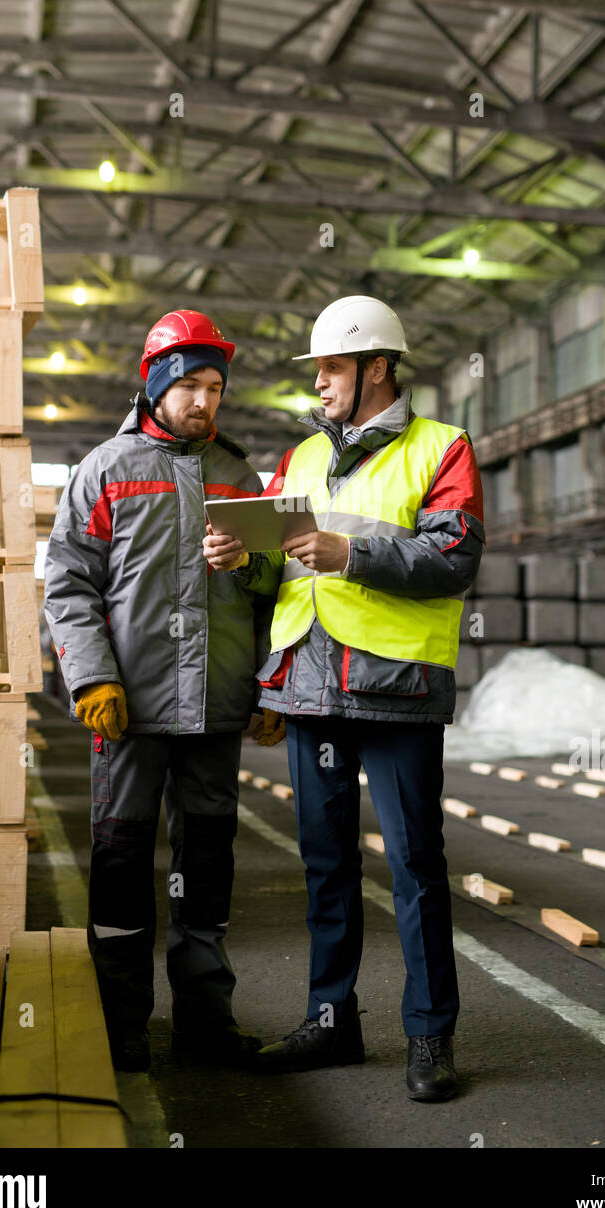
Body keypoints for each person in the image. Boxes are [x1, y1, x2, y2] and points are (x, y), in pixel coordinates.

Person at [203, 295, 485, 1102]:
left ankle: (430, 1034)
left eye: (331, 367)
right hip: (310, 685)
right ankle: (332, 1019)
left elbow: (453, 555)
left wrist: (350, 553)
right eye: (318, 370)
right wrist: (240, 560)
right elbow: (281, 569)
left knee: (415, 867)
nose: (319, 382)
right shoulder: (296, 459)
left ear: (377, 368)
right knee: (325, 866)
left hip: (395, 688)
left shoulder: (443, 448)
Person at [44, 310, 282, 1071]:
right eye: (189, 385)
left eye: (214, 386)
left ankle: (205, 1025)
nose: (203, 401)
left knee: (206, 864)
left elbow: (280, 586)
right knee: (120, 865)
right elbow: (69, 585)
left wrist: (250, 565)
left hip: (214, 708)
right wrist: (92, 677)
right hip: (131, 711)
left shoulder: (240, 475)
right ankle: (120, 1027)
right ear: (154, 382)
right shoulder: (104, 471)